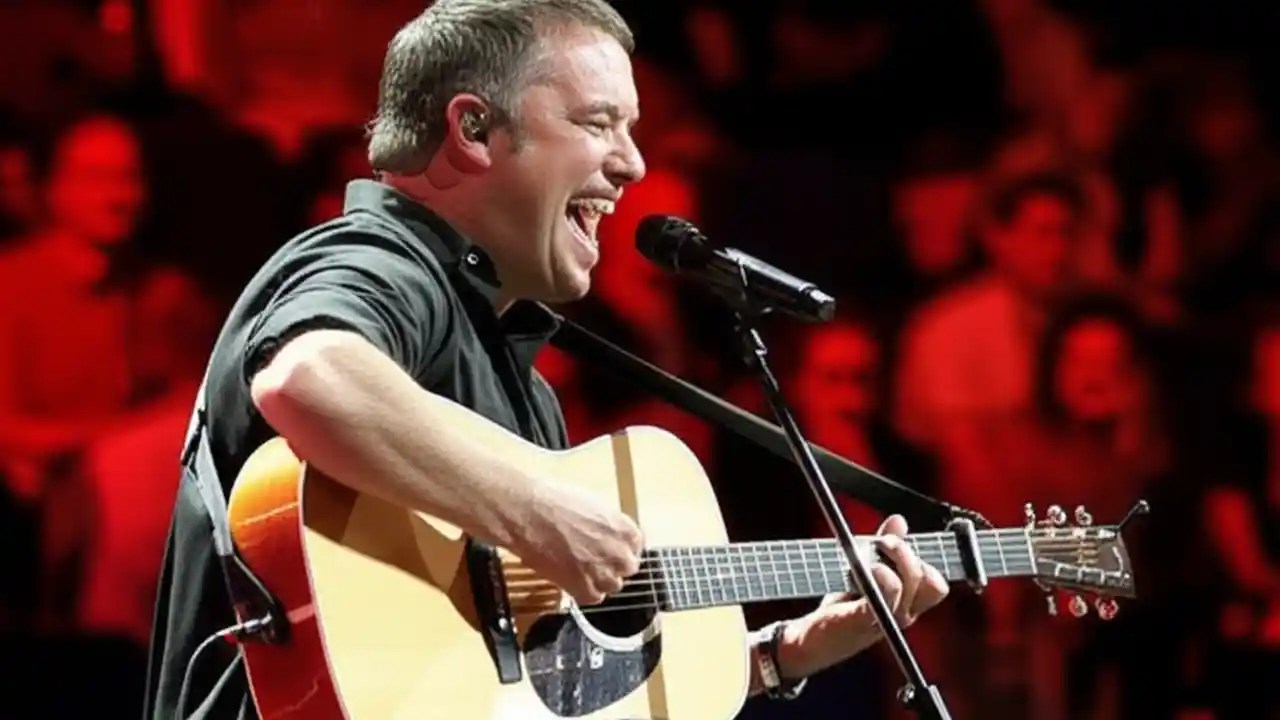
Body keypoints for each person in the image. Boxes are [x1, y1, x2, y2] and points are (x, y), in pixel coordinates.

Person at [143, 2, 949, 718]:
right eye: (600, 123)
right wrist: (538, 512)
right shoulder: (382, 259)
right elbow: (308, 376)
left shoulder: (521, 387)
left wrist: (788, 650)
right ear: (473, 129)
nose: (634, 163)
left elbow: (541, 693)